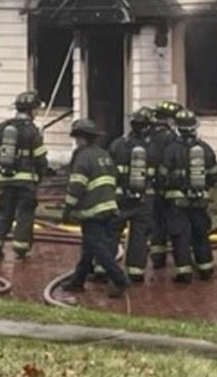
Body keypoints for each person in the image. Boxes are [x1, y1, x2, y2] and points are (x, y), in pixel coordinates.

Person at [60, 118, 128, 298]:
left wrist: (68, 208)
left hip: (92, 210)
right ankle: (78, 281)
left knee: (98, 248)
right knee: (89, 247)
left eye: (76, 138)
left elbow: (77, 185)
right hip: (109, 206)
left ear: (81, 138)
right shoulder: (103, 155)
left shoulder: (82, 157)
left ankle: (120, 279)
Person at [0, 91, 49, 260]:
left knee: (5, 213)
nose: (36, 113)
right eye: (35, 109)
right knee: (25, 214)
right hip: (26, 182)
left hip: (4, 179)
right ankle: (21, 248)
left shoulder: (2, 127)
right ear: (30, 110)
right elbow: (40, 158)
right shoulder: (32, 131)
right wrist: (42, 173)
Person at [160, 109, 217, 283]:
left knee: (181, 237)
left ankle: (184, 273)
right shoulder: (205, 149)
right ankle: (206, 269)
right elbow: (214, 174)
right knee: (201, 235)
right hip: (200, 201)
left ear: (178, 128)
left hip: (178, 202)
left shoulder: (171, 149)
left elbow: (163, 175)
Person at [107, 107, 156, 283]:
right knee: (140, 234)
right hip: (144, 199)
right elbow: (161, 174)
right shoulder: (153, 147)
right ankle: (136, 272)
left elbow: (109, 171)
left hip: (120, 197)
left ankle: (102, 268)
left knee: (112, 231)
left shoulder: (118, 144)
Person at [148, 100, 182, 269]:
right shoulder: (172, 139)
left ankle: (158, 257)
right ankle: (180, 259)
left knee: (157, 224)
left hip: (152, 186)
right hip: (169, 187)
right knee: (174, 224)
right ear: (169, 120)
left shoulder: (150, 135)